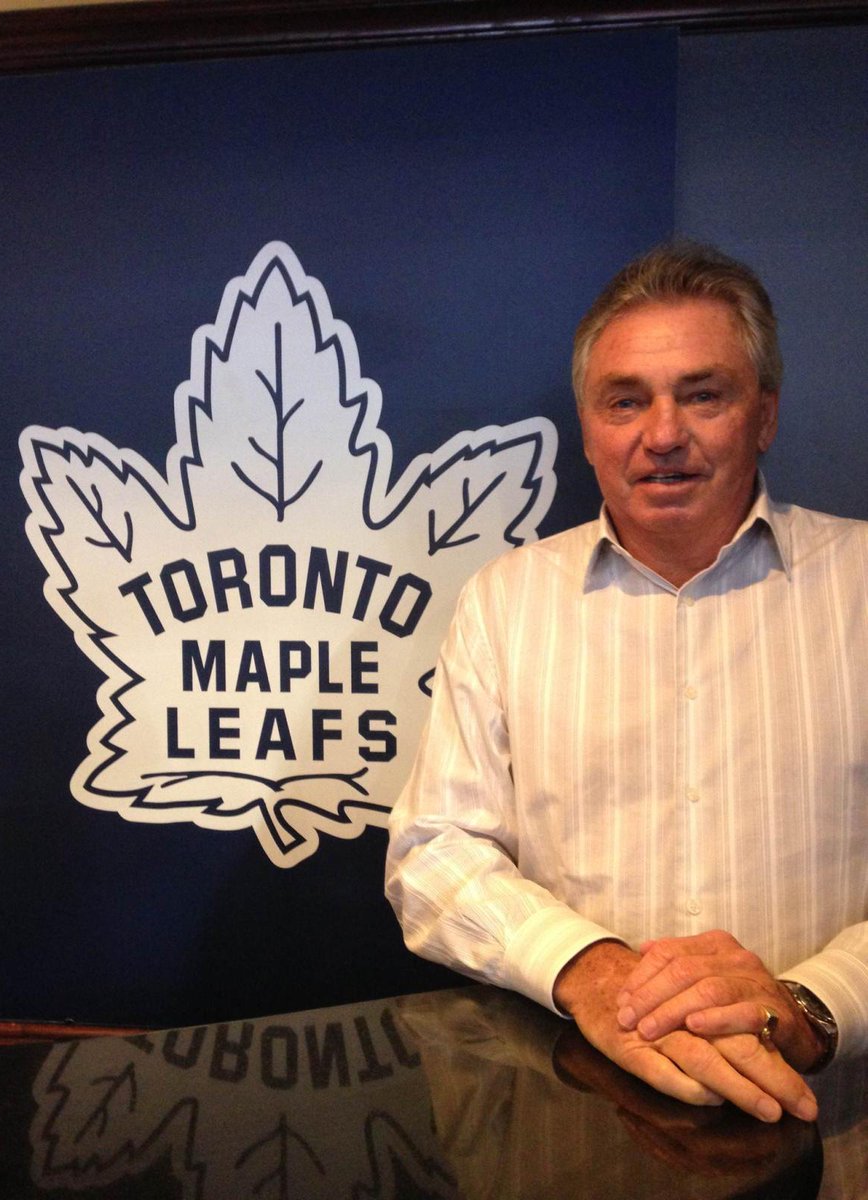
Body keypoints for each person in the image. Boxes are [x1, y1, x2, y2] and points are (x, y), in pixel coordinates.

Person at [385, 241, 867, 1125]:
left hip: (831, 1130)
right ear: (587, 426)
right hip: (568, 1129)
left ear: (764, 414)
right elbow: (434, 853)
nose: (663, 434)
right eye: (626, 401)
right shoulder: (506, 600)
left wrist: (811, 1006)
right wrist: (591, 971)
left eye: (703, 394)